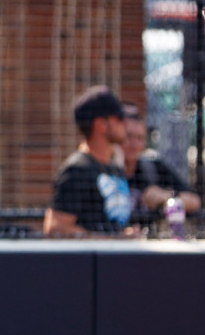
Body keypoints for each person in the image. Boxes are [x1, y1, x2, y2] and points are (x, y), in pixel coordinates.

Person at [43, 85, 135, 237]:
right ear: (100, 125)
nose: (126, 123)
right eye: (119, 117)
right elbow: (55, 228)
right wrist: (110, 241)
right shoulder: (77, 170)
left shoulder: (115, 168)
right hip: (88, 260)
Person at [121, 101, 200, 230]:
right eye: (128, 136)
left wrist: (165, 196)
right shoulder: (105, 169)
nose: (134, 144)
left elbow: (195, 201)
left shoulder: (152, 167)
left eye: (140, 138)